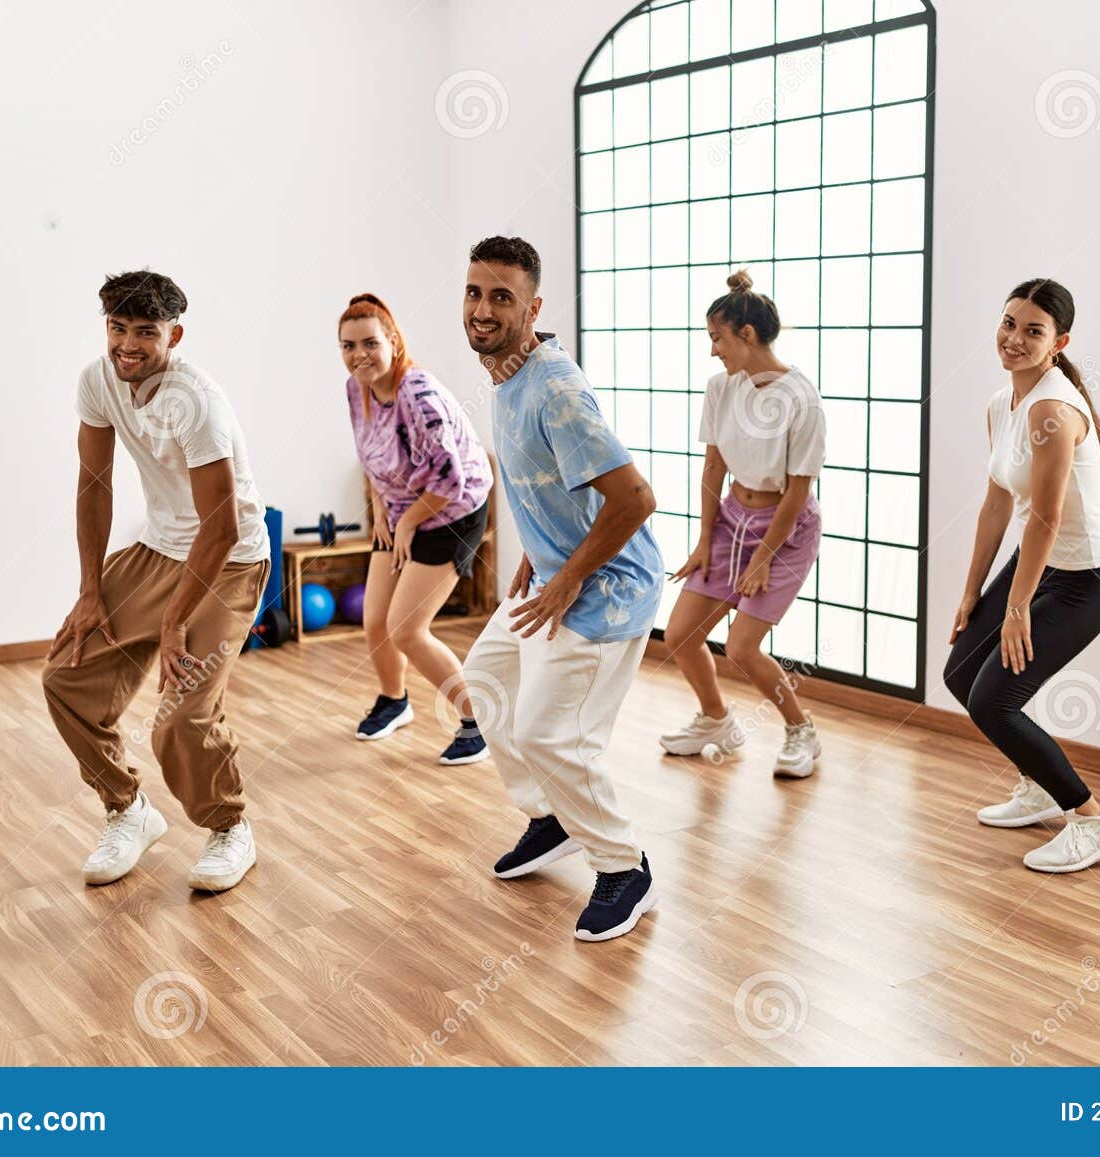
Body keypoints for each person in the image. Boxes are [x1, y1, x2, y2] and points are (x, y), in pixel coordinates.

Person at [458, 236, 664, 942]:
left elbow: (636, 498)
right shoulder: (503, 375)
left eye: (502, 297)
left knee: (550, 731)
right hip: (553, 574)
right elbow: (535, 479)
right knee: (483, 680)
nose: (483, 310)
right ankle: (550, 817)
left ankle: (623, 867)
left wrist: (569, 572)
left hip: (607, 590)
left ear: (533, 307)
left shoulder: (554, 388)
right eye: (475, 293)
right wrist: (534, 557)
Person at [43, 270, 269, 892]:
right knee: (66, 676)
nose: (129, 346)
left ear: (175, 334)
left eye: (146, 332)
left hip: (229, 561)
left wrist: (172, 624)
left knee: (180, 718)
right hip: (159, 549)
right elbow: (94, 484)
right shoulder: (97, 381)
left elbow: (220, 529)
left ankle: (229, 828)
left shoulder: (196, 403)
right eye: (118, 329)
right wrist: (91, 590)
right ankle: (128, 810)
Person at [943, 277, 1100, 873]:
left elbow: (1045, 519)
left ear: (1059, 341)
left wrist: (1017, 608)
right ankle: (1041, 786)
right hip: (1037, 569)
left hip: (1083, 581)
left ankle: (1093, 817)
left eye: (1033, 331)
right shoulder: (1004, 404)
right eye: (1008, 323)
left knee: (995, 702)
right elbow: (998, 504)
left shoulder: (1053, 408)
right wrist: (973, 591)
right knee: (960, 673)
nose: (1014, 339)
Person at [659, 270, 827, 778]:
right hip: (731, 519)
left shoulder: (803, 400)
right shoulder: (721, 388)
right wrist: (704, 540)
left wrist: (762, 558)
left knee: (741, 647)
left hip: (785, 529)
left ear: (746, 335)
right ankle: (716, 720)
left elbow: (798, 491)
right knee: (681, 634)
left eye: (717, 338)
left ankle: (802, 731)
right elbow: (714, 467)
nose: (713, 350)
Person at [338, 293, 494, 764]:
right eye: (348, 346)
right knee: (375, 622)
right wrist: (381, 508)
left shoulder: (419, 395)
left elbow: (452, 479)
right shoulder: (356, 388)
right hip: (402, 508)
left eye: (369, 343)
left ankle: (480, 722)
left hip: (453, 510)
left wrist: (407, 521)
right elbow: (370, 455)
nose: (358, 355)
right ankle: (394, 701)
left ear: (393, 342)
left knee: (407, 629)